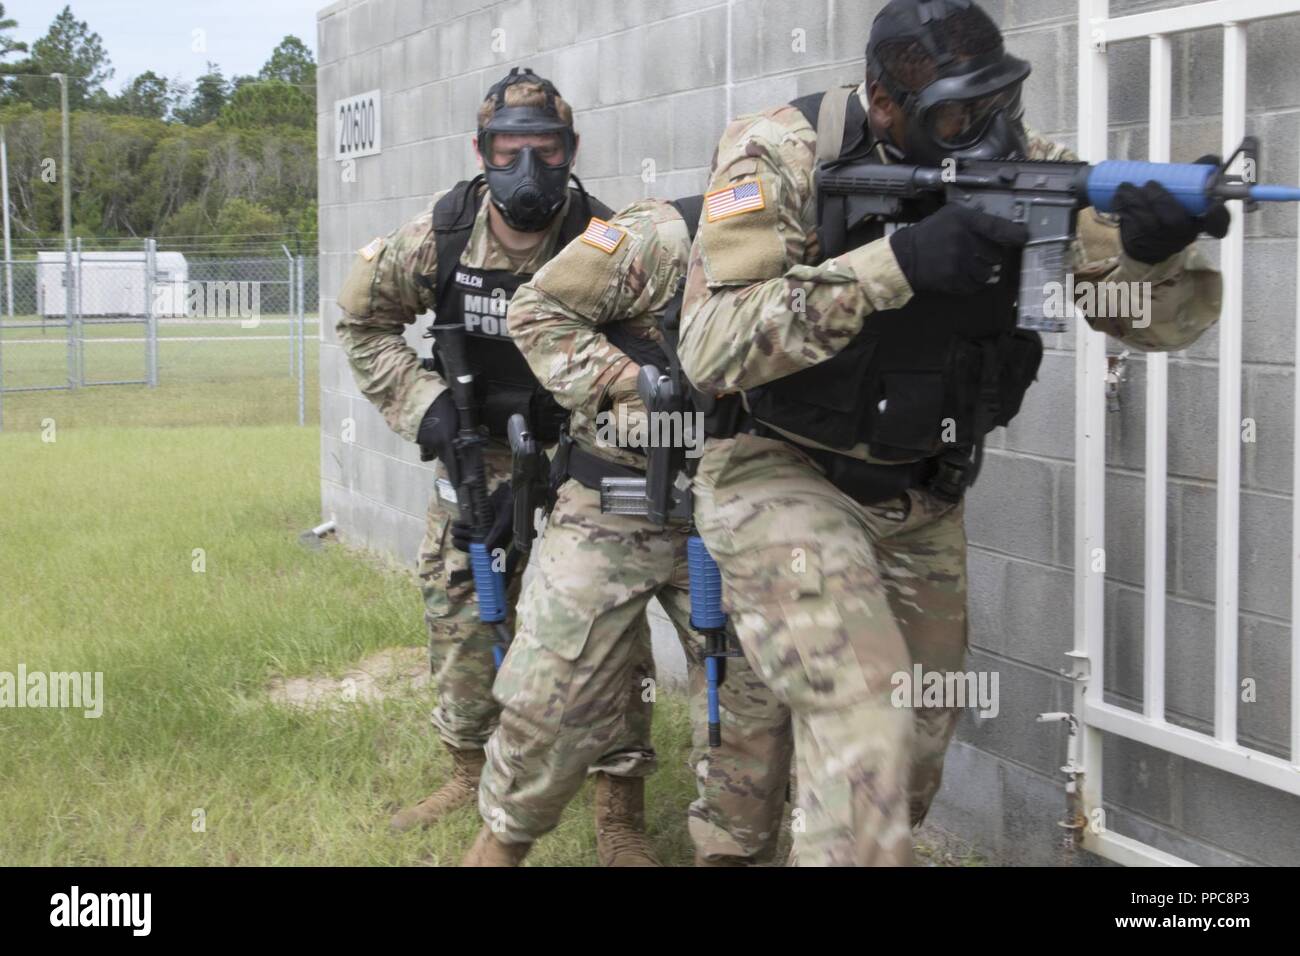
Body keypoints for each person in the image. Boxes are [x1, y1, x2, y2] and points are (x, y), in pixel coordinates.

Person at [677, 0, 1226, 865]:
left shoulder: (1030, 167)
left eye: (995, 103)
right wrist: (895, 265)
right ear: (884, 102)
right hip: (779, 470)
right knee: (863, 716)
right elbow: (710, 347)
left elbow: (1154, 321)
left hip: (922, 496)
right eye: (955, 115)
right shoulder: (780, 149)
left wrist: (1155, 251)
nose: (984, 130)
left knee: (913, 751)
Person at [336, 68, 658, 851]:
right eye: (507, 148)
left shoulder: (608, 243)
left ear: (570, 151)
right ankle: (467, 767)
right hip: (478, 461)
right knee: (459, 611)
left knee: (608, 631)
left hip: (583, 464)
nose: (526, 168)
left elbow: (656, 358)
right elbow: (361, 324)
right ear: (481, 153)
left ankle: (619, 803)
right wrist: (427, 407)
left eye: (544, 149)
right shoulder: (441, 238)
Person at [461, 197, 793, 867]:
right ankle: (502, 843)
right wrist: (636, 390)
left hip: (736, 503)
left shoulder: (834, 248)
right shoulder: (662, 235)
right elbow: (536, 311)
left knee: (753, 704)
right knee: (550, 693)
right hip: (613, 496)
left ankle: (733, 850)